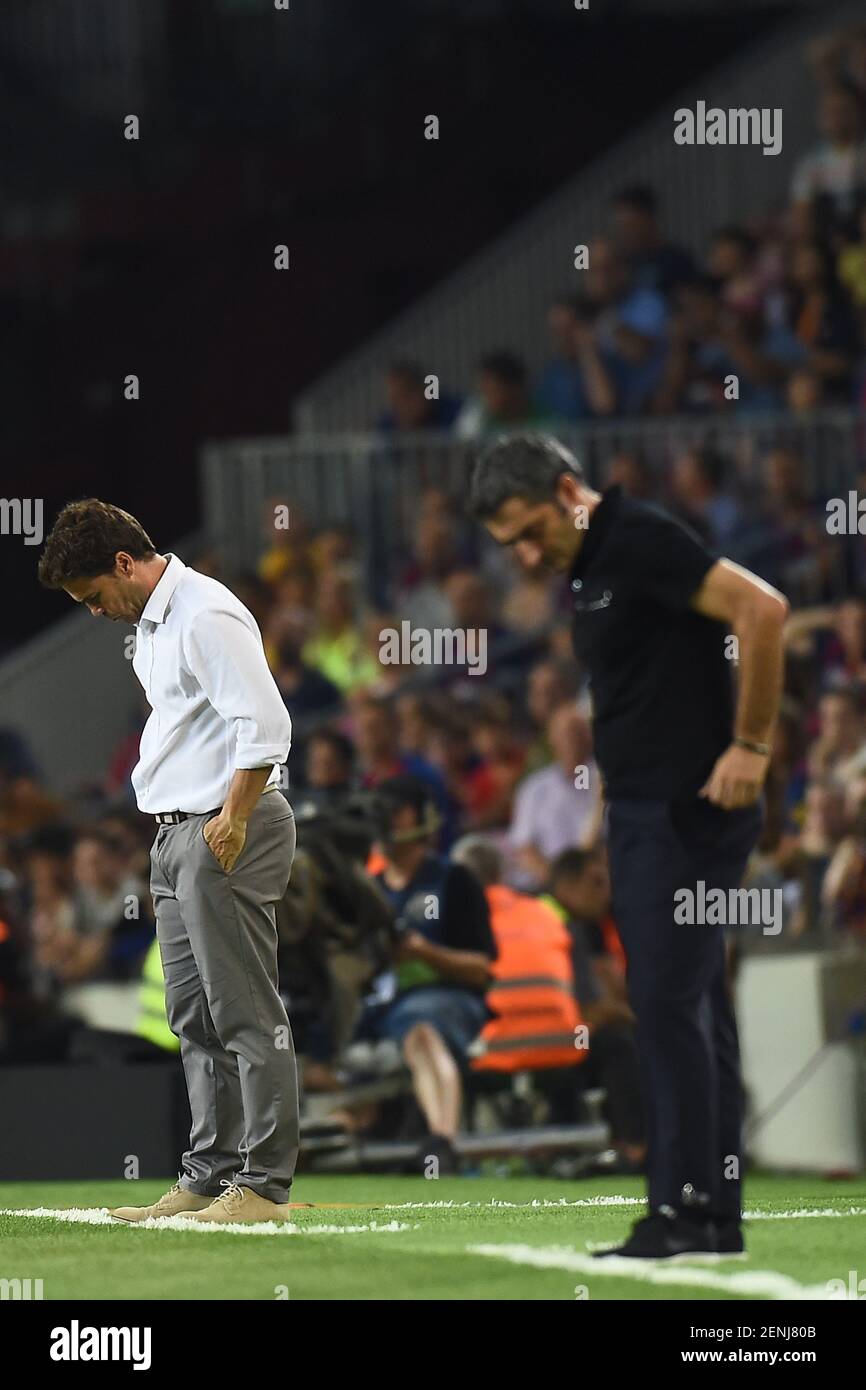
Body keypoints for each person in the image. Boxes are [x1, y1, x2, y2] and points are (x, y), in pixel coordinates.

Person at [470, 433, 788, 1260]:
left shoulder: (637, 537)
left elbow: (763, 611)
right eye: (512, 547)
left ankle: (681, 1212)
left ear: (568, 489)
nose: (529, 554)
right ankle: (709, 1215)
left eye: (533, 530)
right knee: (693, 1005)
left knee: (668, 1008)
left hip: (686, 812)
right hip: (651, 809)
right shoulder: (591, 562)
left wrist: (751, 746)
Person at [38, 499, 297, 1225]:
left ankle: (265, 1187)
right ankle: (209, 1176)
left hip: (225, 825)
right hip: (177, 832)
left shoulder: (204, 614)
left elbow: (265, 723)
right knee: (193, 1017)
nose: (93, 612)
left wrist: (233, 820)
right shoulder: (152, 626)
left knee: (245, 1014)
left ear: (125, 563)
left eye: (94, 596)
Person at [362, 776, 497, 1173]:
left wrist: (427, 953)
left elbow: (481, 969)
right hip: (381, 1005)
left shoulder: (454, 881)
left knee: (421, 1030)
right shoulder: (368, 890)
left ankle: (442, 1139)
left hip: (450, 999)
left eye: (396, 812)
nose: (386, 822)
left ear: (421, 818)